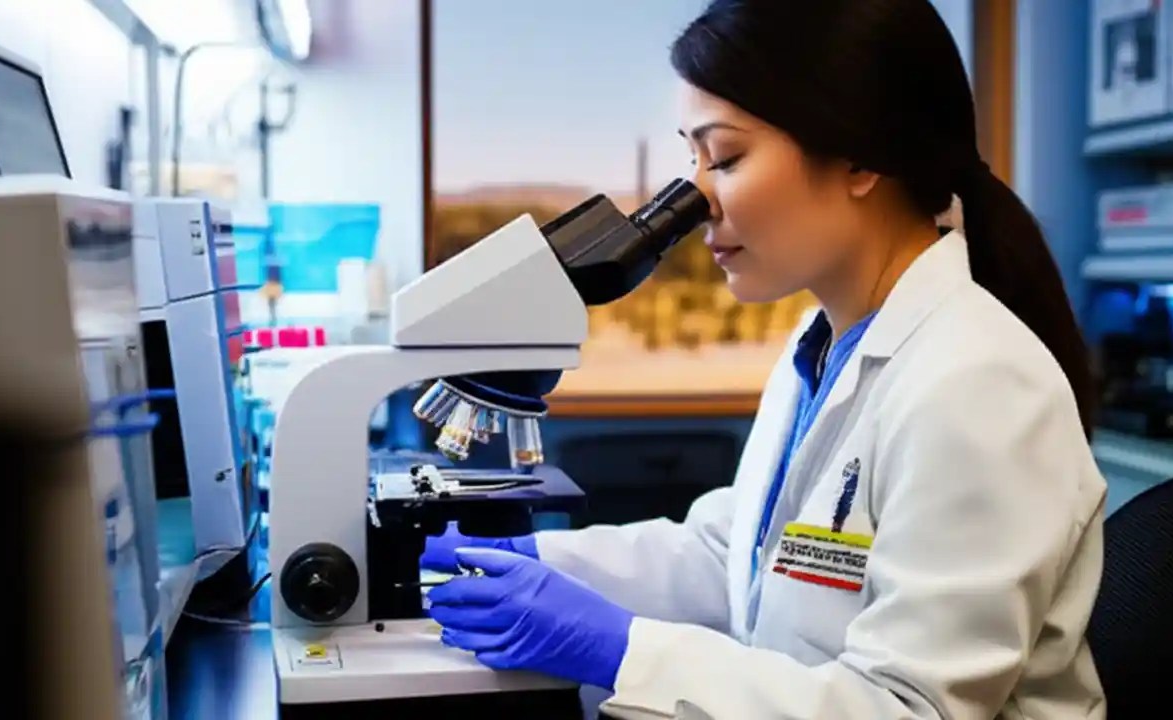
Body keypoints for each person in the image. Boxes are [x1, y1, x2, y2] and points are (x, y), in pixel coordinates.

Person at [422, 1, 1108, 717]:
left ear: (861, 156)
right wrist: (535, 560)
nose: (697, 198)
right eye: (691, 160)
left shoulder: (979, 383)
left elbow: (910, 707)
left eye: (725, 157)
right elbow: (738, 556)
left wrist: (621, 649)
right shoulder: (822, 347)